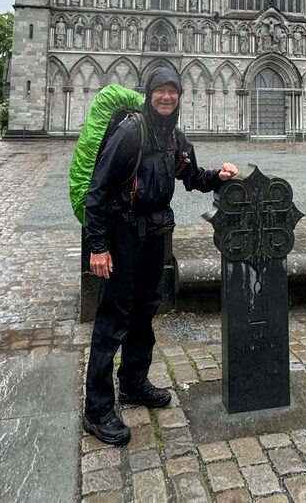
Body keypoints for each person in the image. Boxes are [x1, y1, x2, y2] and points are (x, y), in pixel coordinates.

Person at [83, 66, 238, 446]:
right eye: (160, 91)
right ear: (149, 94)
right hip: (122, 234)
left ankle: (134, 382)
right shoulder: (130, 133)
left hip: (155, 235)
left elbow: (193, 179)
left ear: (180, 97)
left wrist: (218, 176)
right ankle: (97, 409)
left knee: (144, 312)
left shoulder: (176, 139)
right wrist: (98, 248)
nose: (167, 97)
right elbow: (98, 192)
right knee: (111, 318)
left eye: (173, 92)